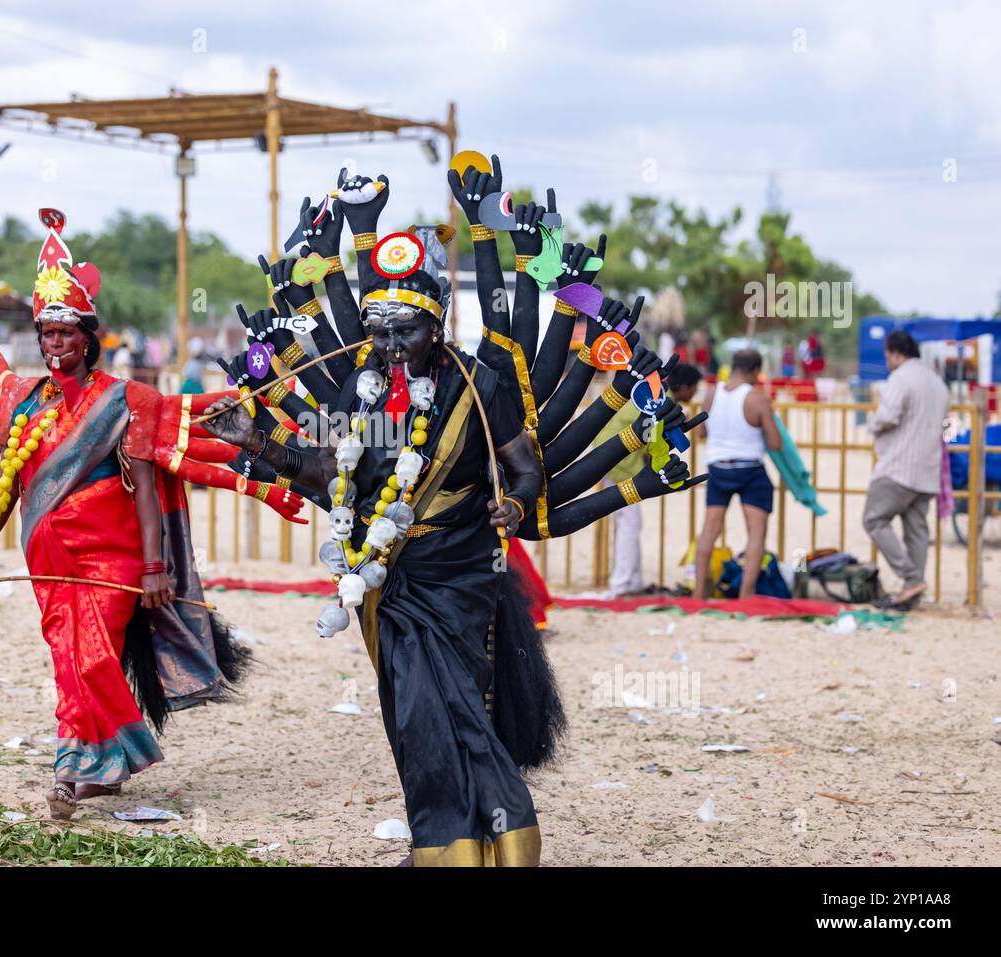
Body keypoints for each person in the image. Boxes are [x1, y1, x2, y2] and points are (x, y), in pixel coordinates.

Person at [204, 161, 704, 866]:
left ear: (435, 326)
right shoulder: (363, 389)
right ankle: (456, 842)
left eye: (403, 330)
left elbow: (525, 463)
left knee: (455, 712)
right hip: (387, 586)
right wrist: (258, 442)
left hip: (460, 578)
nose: (388, 344)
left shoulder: (479, 383)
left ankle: (469, 843)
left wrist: (515, 500)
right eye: (378, 329)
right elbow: (330, 471)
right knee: (415, 718)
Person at [0, 209, 305, 820]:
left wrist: (155, 568)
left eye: (67, 333)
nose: (56, 344)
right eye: (47, 334)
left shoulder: (126, 400)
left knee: (93, 653)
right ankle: (94, 758)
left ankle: (86, 767)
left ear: (90, 336)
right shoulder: (25, 401)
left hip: (113, 556)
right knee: (66, 656)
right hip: (46, 555)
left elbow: (144, 489)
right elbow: (10, 481)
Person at [597, 361, 704, 596]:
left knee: (627, 522)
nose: (695, 393)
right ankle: (622, 583)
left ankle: (631, 581)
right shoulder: (663, 403)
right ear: (684, 387)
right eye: (694, 388)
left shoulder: (654, 394)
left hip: (610, 456)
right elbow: (654, 442)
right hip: (620, 461)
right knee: (629, 523)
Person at [863, 330, 949, 608]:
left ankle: (911, 579)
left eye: (887, 355)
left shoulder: (901, 379)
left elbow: (887, 417)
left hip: (899, 466)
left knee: (874, 520)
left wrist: (872, 424)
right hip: (928, 469)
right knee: (917, 532)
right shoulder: (938, 383)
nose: (886, 360)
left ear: (896, 353)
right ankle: (913, 594)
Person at [694, 348, 783, 599]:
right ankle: (746, 594)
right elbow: (776, 443)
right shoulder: (757, 398)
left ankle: (699, 592)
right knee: (755, 533)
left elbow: (701, 433)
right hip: (750, 469)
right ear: (756, 370)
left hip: (717, 468)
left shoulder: (712, 394)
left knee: (709, 530)